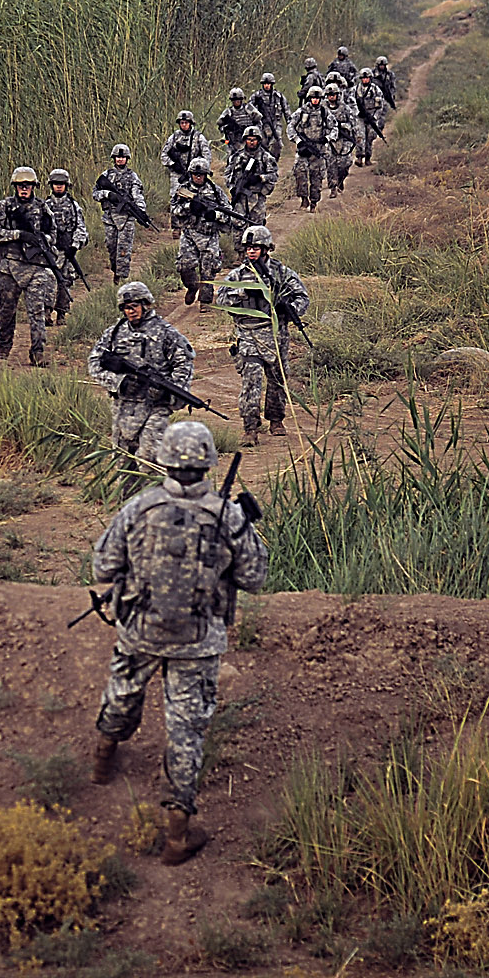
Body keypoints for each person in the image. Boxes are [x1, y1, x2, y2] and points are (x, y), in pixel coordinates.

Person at [88, 421, 268, 866]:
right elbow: (254, 577)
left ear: (164, 459)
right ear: (208, 462)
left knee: (123, 691)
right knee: (186, 730)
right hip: (198, 640)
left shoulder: (139, 506)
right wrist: (242, 527)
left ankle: (103, 759)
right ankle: (176, 837)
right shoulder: (227, 516)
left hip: (140, 629)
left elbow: (103, 566)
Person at [88, 280, 195, 470]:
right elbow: (94, 363)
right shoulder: (114, 333)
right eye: (126, 308)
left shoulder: (166, 333)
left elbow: (184, 364)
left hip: (155, 406)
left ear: (146, 304)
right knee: (122, 463)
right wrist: (119, 382)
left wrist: (170, 392)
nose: (130, 311)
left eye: (134, 306)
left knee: (150, 459)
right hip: (123, 407)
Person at [219, 225, 309, 439]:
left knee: (277, 379)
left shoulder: (281, 273)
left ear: (266, 249)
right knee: (252, 379)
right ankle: (250, 427)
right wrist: (243, 292)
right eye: (248, 247)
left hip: (276, 335)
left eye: (256, 247)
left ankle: (276, 420)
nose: (251, 251)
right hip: (248, 334)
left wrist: (288, 309)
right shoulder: (237, 275)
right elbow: (222, 299)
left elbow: (302, 297)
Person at [0, 166, 61, 365]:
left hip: (35, 267)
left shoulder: (43, 208)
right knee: (6, 312)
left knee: (37, 313)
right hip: (10, 268)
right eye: (20, 185)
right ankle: (4, 348)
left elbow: (53, 234)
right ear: (15, 187)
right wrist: (19, 235)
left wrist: (42, 239)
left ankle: (37, 352)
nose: (24, 189)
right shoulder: (4, 207)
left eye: (28, 185)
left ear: (34, 186)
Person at [170, 156, 236, 305]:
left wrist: (215, 215)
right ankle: (192, 287)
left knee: (208, 270)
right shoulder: (183, 190)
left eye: (201, 174)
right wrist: (189, 207)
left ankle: (205, 302)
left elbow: (228, 213)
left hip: (209, 235)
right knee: (184, 265)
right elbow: (174, 210)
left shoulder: (215, 191)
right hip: (189, 234)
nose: (198, 177)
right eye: (195, 174)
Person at [93, 144, 149, 280]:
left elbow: (137, 195)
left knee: (124, 250)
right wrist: (107, 194)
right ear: (114, 158)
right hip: (110, 218)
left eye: (123, 157)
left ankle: (121, 279)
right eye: (118, 157)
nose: (120, 159)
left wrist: (140, 210)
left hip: (127, 218)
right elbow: (95, 193)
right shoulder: (107, 175)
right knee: (111, 248)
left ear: (127, 159)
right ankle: (115, 270)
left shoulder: (132, 177)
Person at [44, 169, 91, 327]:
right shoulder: (45, 206)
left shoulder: (73, 206)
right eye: (56, 184)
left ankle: (61, 313)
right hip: (50, 251)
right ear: (51, 185)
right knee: (48, 281)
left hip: (67, 251)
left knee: (66, 281)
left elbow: (81, 228)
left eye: (61, 184)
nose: (59, 186)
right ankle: (46, 313)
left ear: (66, 185)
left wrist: (74, 246)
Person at [222, 126, 278, 231]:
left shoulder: (266, 157)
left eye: (254, 140)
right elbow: (227, 174)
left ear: (259, 140)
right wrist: (232, 187)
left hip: (257, 198)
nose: (251, 142)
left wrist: (260, 178)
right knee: (238, 228)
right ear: (245, 140)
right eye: (249, 139)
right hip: (240, 198)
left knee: (257, 229)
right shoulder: (236, 157)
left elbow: (274, 176)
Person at [289, 86, 331, 212]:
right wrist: (298, 141)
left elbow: (334, 128)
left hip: (318, 150)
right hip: (303, 149)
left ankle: (314, 202)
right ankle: (303, 198)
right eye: (313, 98)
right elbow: (290, 127)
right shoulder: (301, 111)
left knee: (316, 178)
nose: (315, 100)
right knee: (300, 173)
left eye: (317, 98)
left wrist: (327, 138)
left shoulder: (324, 112)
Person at [161, 111, 210, 202]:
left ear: (190, 123)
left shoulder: (198, 137)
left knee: (197, 200)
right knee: (175, 199)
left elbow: (206, 157)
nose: (184, 125)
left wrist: (200, 168)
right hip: (177, 175)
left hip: (194, 175)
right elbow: (164, 155)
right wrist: (173, 164)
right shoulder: (174, 137)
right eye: (182, 123)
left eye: (186, 122)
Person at [321, 83, 356, 196]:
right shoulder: (322, 108)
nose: (331, 97)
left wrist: (343, 127)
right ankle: (333, 188)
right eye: (329, 95)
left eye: (333, 95)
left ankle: (341, 180)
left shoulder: (344, 108)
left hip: (344, 139)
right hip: (329, 140)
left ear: (337, 95)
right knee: (331, 165)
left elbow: (353, 123)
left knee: (346, 163)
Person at [353, 68, 387, 166]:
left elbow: (380, 106)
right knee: (360, 136)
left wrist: (375, 117)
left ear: (370, 78)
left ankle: (368, 157)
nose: (365, 80)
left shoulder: (375, 90)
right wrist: (357, 112)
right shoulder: (355, 90)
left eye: (367, 78)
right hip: (360, 117)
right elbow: (351, 103)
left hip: (371, 117)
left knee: (370, 137)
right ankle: (360, 157)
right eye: (363, 78)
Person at [252, 73, 289, 159]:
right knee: (262, 145)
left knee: (276, 145)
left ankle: (273, 162)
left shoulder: (278, 96)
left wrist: (290, 124)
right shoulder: (256, 96)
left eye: (268, 84)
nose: (267, 86)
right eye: (265, 84)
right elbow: (249, 109)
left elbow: (287, 111)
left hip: (276, 124)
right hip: (261, 124)